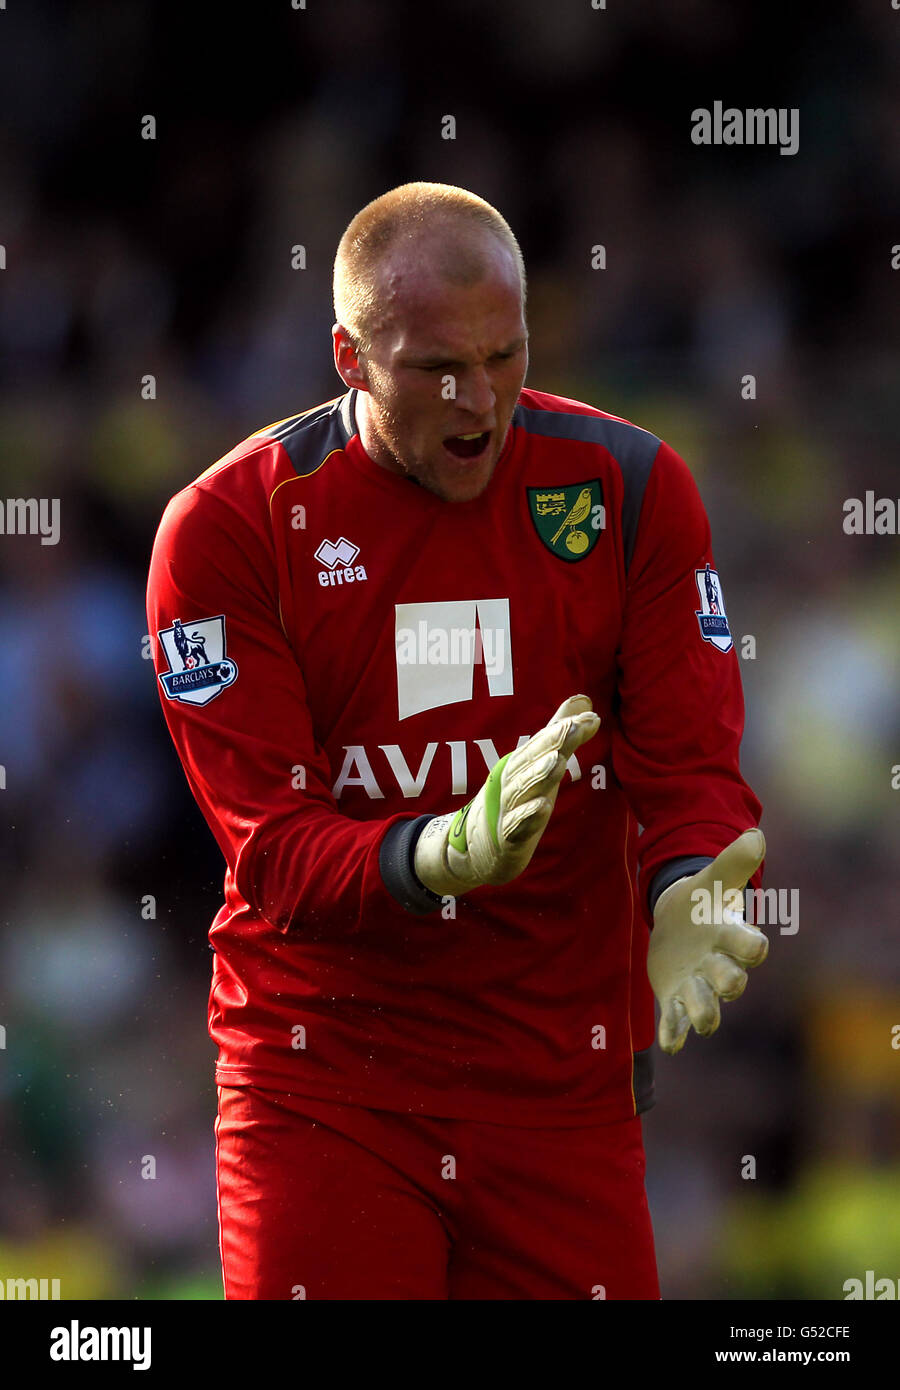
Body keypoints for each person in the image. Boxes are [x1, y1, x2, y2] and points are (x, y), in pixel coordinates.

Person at [146, 181, 769, 1300]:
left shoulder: (626, 487)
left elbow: (690, 769)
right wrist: (439, 854)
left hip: (559, 1085)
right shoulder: (231, 531)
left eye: (506, 353)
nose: (480, 397)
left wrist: (688, 889)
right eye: (438, 368)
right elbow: (274, 848)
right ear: (348, 356)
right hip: (328, 1083)